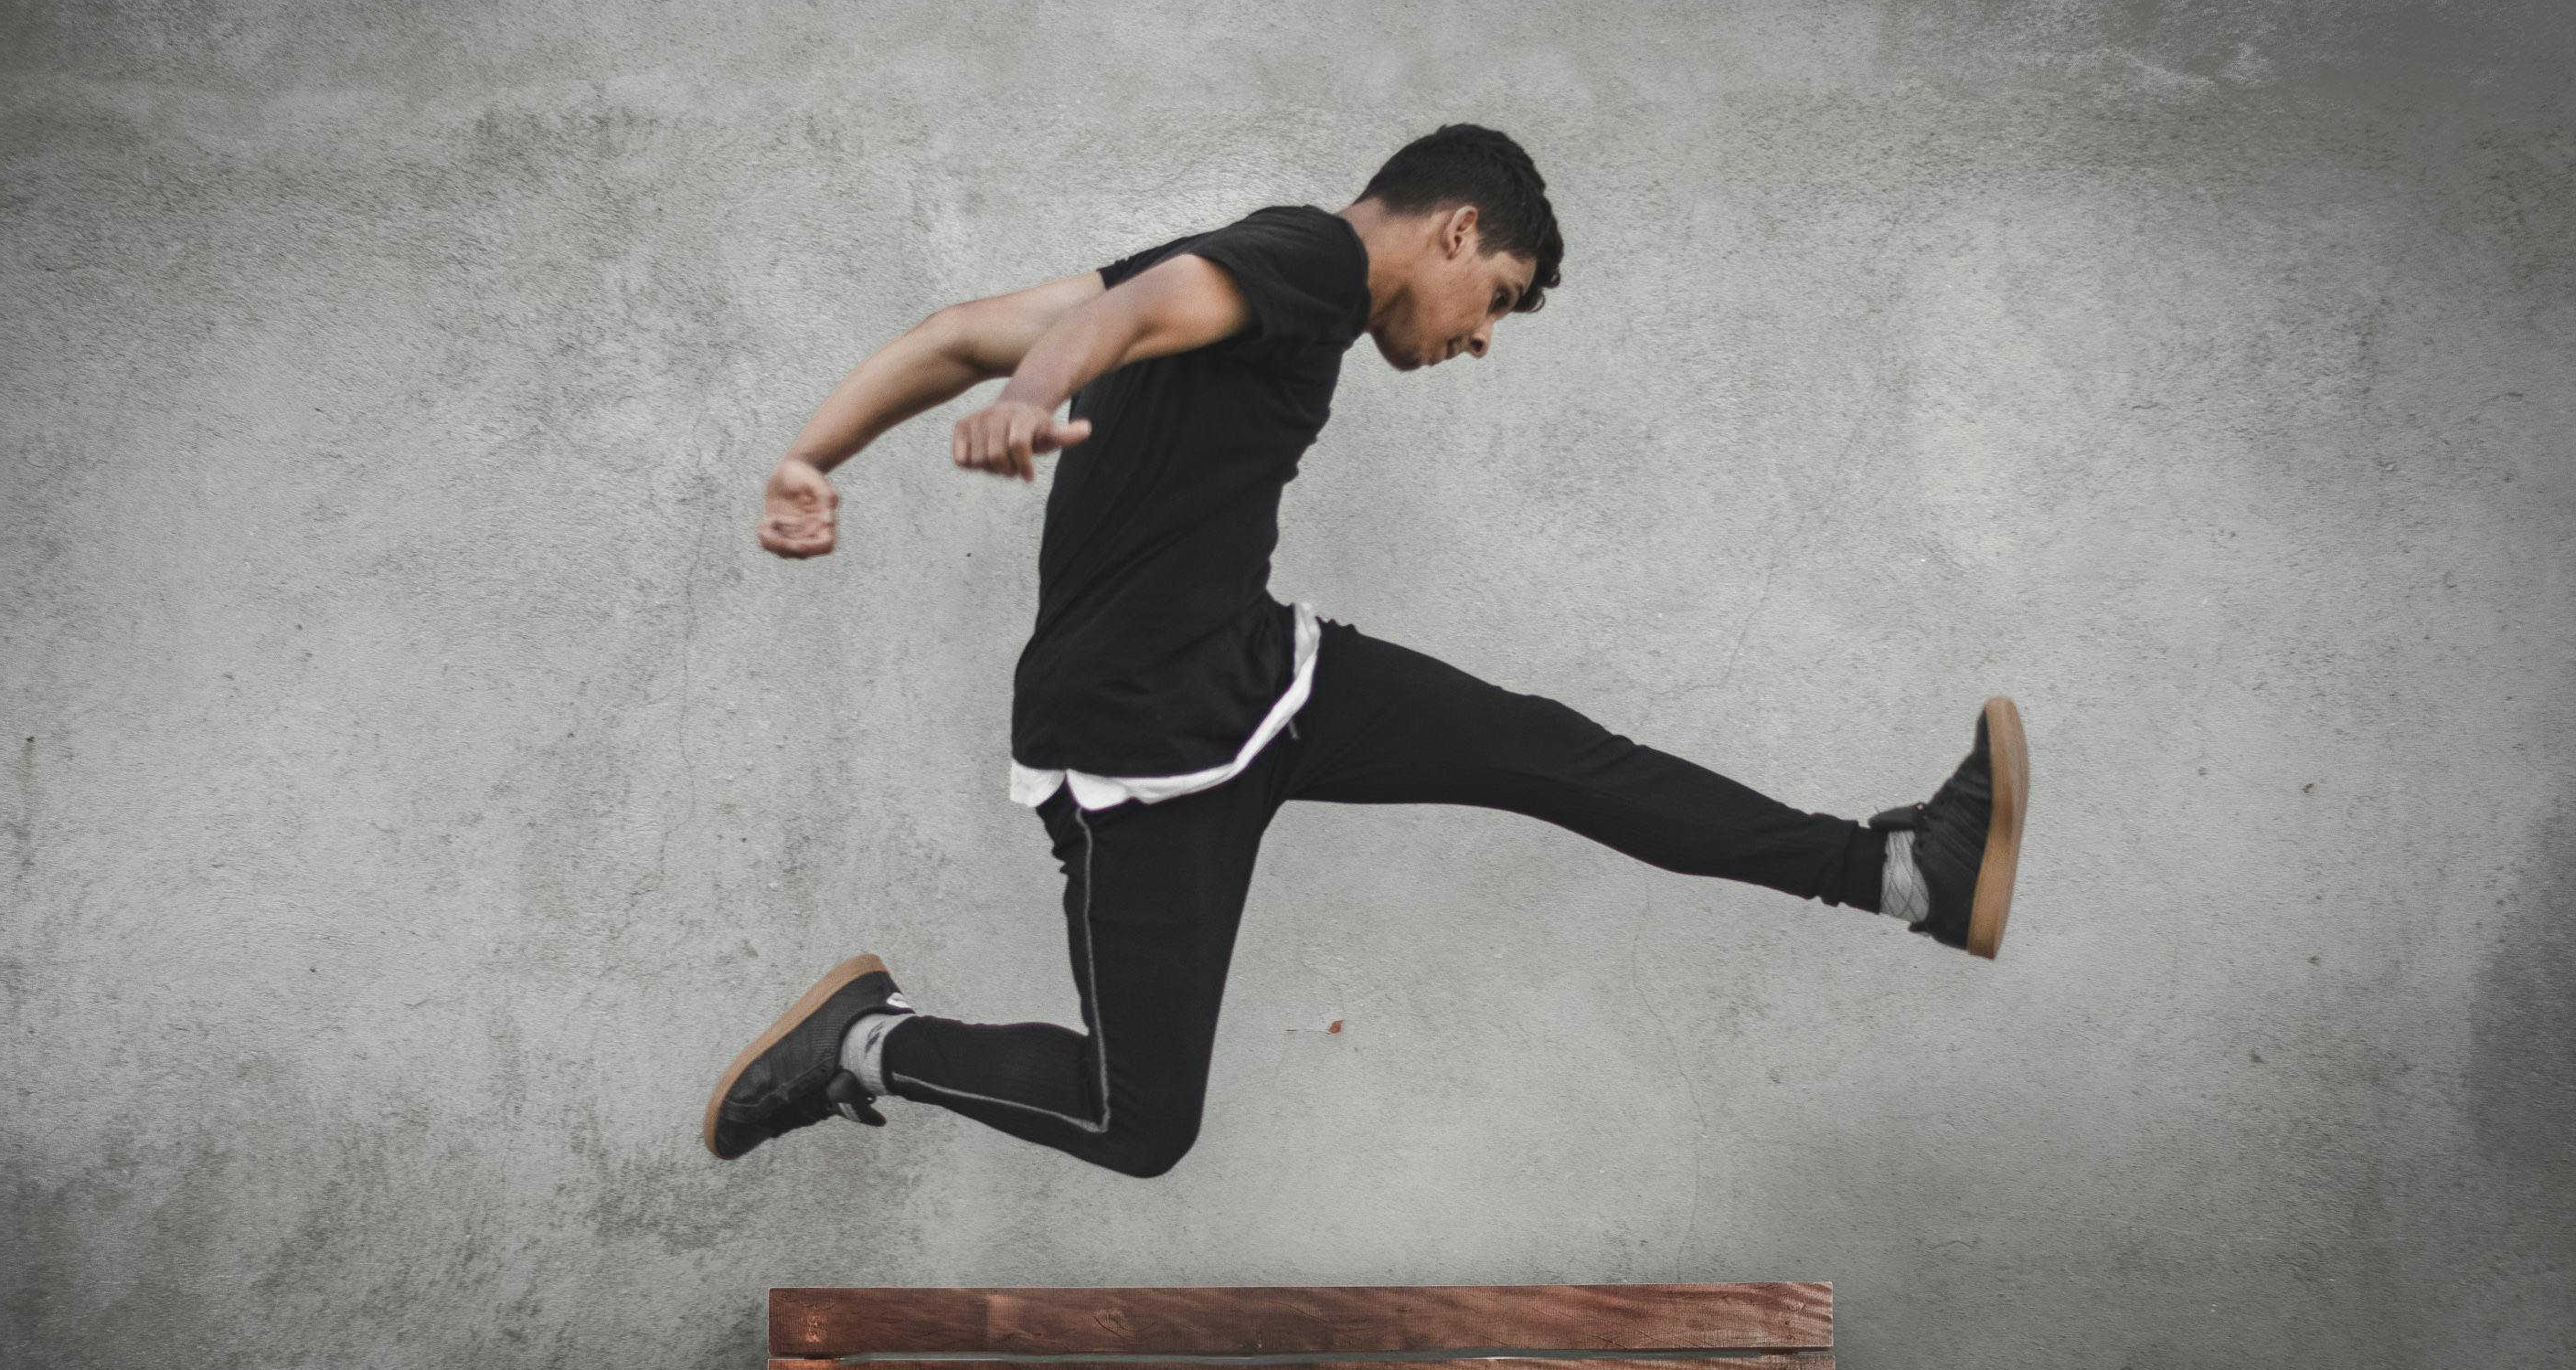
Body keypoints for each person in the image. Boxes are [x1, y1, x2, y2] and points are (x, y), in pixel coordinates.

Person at [703, 123, 2029, 1178]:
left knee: (1550, 753)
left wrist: (810, 458)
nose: (1479, 339)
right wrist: (1038, 399)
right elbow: (1119, 314)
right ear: (1455, 230)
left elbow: (957, 331)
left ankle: (1902, 873)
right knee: (1138, 1123)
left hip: (1264, 679)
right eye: (1494, 298)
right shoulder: (1312, 260)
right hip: (1146, 747)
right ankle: (868, 1044)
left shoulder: (1244, 276)